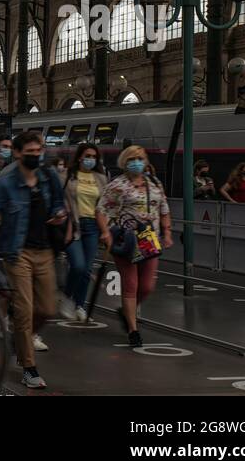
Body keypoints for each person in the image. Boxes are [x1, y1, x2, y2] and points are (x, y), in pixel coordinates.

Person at [0, 131, 67, 390]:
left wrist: (59, 213)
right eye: (30, 152)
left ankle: (20, 340)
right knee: (23, 309)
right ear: (19, 153)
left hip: (44, 250)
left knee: (47, 308)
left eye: (39, 151)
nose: (36, 156)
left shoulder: (48, 176)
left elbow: (58, 202)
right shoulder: (5, 183)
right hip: (16, 252)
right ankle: (29, 367)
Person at [98, 145, 173, 348]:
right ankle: (133, 329)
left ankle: (126, 311)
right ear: (124, 161)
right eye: (132, 159)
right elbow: (102, 209)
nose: (136, 162)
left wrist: (167, 232)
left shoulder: (154, 183)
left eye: (140, 158)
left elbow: (164, 209)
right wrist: (105, 232)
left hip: (149, 238)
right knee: (130, 285)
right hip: (126, 238)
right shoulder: (118, 185)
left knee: (147, 286)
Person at [60, 143, 108, 322]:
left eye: (94, 157)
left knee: (87, 270)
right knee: (78, 266)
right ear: (80, 157)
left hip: (93, 227)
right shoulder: (68, 176)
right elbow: (61, 199)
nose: (91, 160)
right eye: (87, 156)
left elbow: (105, 205)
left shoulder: (101, 178)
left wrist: (105, 230)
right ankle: (67, 297)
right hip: (74, 226)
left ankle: (80, 305)